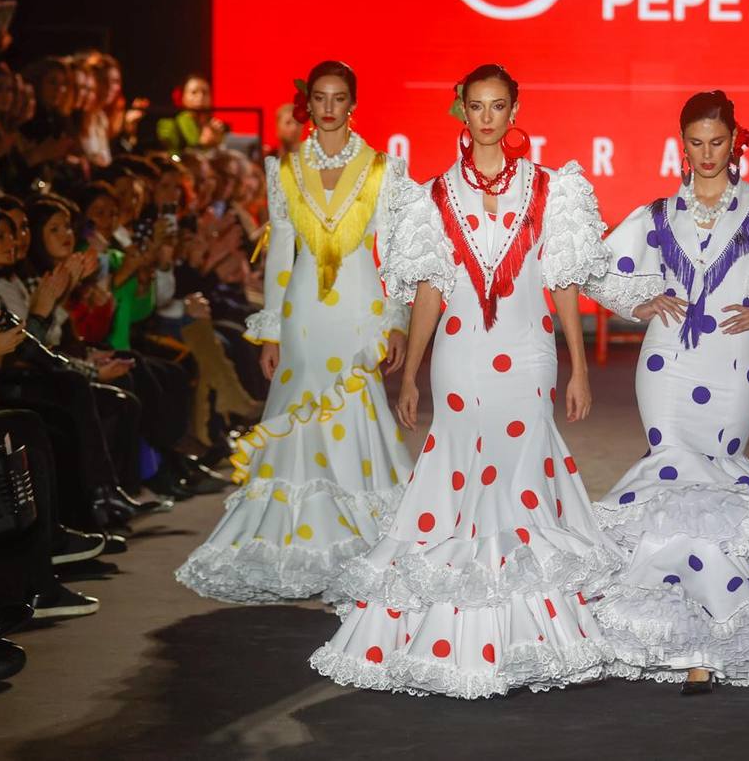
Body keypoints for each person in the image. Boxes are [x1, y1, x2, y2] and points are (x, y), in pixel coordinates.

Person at [310, 63, 619, 698]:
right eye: (476, 105)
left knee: (521, 474)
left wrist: (579, 365)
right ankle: (455, 630)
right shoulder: (433, 197)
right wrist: (413, 374)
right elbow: (429, 290)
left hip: (528, 353)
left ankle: (526, 633)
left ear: (513, 110)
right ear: (461, 109)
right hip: (458, 357)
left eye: (497, 105)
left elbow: (562, 284)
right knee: (457, 469)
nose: (486, 117)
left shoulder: (549, 190)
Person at [582, 90, 749, 694]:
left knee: (719, 483)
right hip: (666, 365)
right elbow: (596, 267)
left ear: (737, 142)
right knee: (672, 480)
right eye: (696, 143)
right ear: (683, 146)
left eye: (718, 141)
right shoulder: (659, 214)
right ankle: (689, 644)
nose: (707, 154)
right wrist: (640, 302)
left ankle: (719, 628)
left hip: (731, 364)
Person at [176, 61, 414, 602]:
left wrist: (395, 319)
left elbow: (395, 255)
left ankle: (360, 540)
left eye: (340, 98)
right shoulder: (285, 171)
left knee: (356, 405)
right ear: (308, 104)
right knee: (301, 403)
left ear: (353, 103)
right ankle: (299, 537)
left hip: (359, 304)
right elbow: (281, 256)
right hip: (305, 311)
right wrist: (271, 331)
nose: (329, 108)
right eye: (321, 98)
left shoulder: (383, 169)